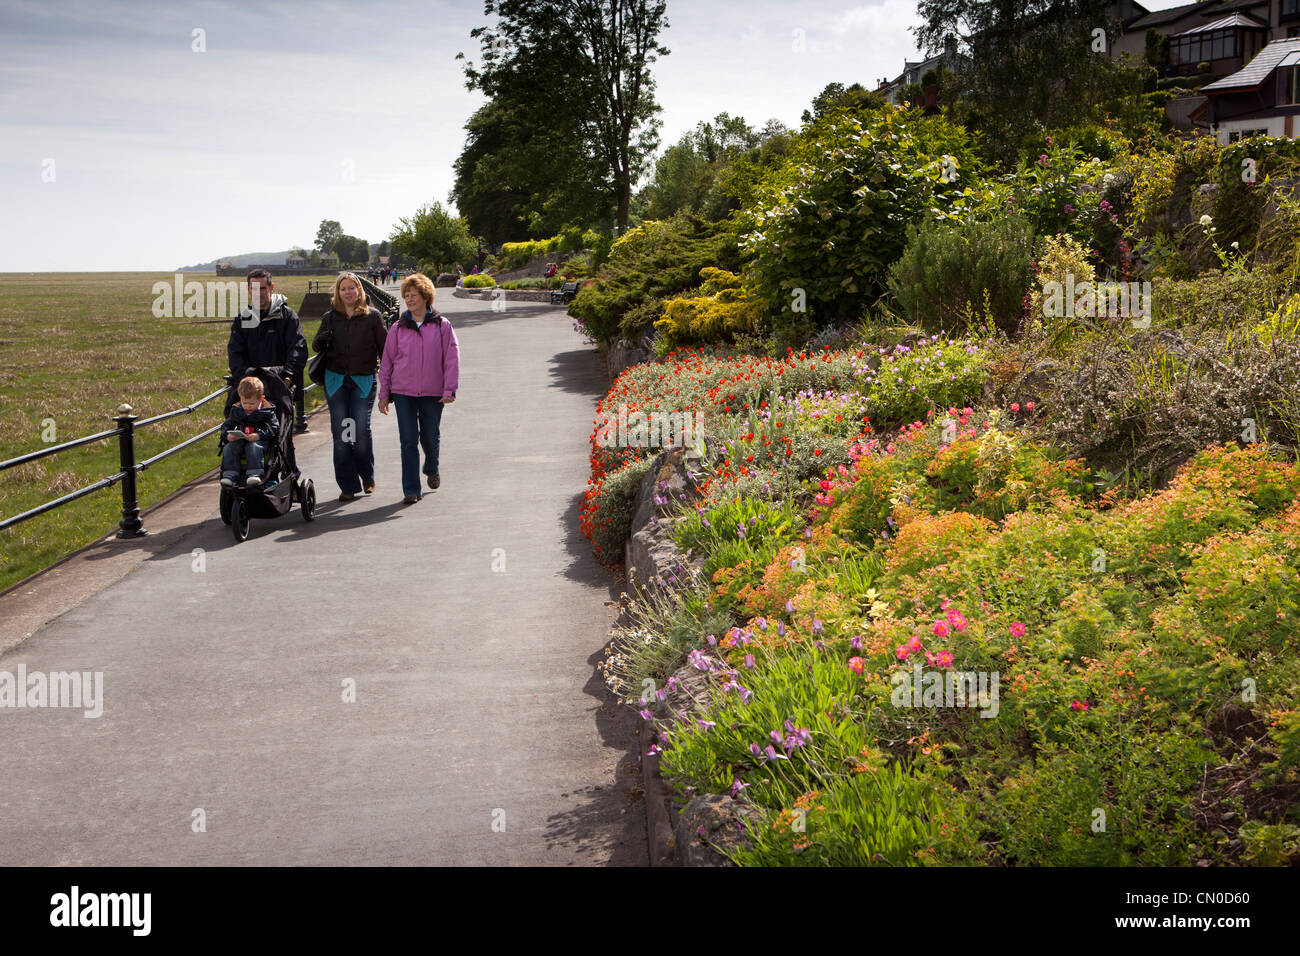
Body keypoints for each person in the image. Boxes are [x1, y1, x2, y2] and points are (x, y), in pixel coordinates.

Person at [378, 273, 460, 504]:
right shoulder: (397, 327)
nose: (409, 300)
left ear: (425, 297)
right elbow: (387, 362)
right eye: (406, 296)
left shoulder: (442, 325)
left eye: (414, 295)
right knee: (408, 440)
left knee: (430, 438)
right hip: (403, 392)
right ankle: (411, 489)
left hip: (433, 393)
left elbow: (452, 358)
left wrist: (449, 389)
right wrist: (384, 394)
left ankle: (431, 467)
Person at [312, 273, 387, 501]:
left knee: (361, 431)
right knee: (342, 433)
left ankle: (367, 475)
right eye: (343, 288)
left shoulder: (373, 317)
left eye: (351, 288)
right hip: (336, 381)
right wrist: (322, 339)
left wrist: (390, 385)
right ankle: (348, 484)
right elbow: (316, 345)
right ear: (338, 292)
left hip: (363, 381)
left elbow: (385, 351)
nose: (347, 292)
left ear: (359, 291)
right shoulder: (330, 317)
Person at [227, 269, 307, 389]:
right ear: (248, 290)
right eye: (254, 289)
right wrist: (247, 379)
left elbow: (298, 347)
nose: (258, 293)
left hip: (282, 385)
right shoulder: (242, 320)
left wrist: (288, 374)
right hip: (252, 390)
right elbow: (235, 353)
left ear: (271, 287)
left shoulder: (288, 316)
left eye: (262, 288)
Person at [220, 376, 279, 488]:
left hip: (261, 441)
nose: (247, 407)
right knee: (229, 447)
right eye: (244, 403)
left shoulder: (267, 411)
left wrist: (259, 435)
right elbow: (226, 425)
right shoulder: (237, 410)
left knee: (253, 447)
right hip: (241, 439)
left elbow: (274, 428)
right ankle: (230, 475)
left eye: (251, 404)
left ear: (261, 399)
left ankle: (254, 473)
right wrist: (228, 435)